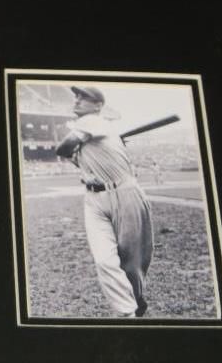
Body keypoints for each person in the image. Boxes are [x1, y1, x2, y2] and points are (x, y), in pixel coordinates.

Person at [55, 86, 153, 318]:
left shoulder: (92, 120)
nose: (77, 100)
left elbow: (63, 147)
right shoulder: (95, 128)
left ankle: (136, 299)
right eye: (76, 96)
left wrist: (77, 150)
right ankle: (127, 313)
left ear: (98, 105)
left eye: (83, 97)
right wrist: (83, 153)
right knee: (105, 260)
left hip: (125, 193)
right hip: (94, 199)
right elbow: (69, 153)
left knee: (132, 262)